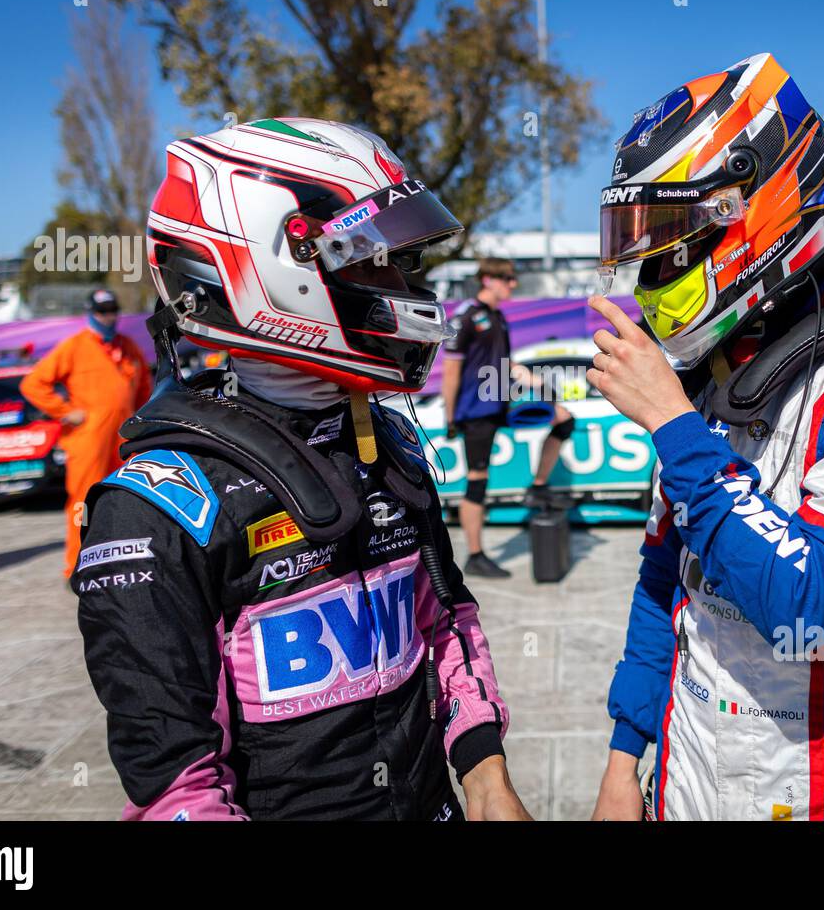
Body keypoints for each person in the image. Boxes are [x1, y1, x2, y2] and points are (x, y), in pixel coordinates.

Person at [74, 118, 528, 820]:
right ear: (278, 264)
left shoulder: (388, 444)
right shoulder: (156, 507)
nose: (403, 284)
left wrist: (488, 779)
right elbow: (173, 782)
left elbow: (445, 622)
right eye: (374, 260)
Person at [587, 54, 824, 820]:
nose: (652, 264)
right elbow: (666, 583)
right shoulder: (709, 383)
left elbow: (806, 605)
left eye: (670, 236)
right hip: (685, 780)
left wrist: (673, 425)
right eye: (642, 239)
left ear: (754, 209)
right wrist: (621, 760)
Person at [442, 258, 574, 578]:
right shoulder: (466, 317)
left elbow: (506, 364)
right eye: (507, 278)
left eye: (513, 278)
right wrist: (450, 418)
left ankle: (538, 486)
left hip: (500, 402)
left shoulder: (498, 317)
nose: (513, 284)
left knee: (564, 419)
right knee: (477, 484)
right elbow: (451, 370)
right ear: (488, 279)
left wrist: (534, 381)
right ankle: (475, 555)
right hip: (474, 412)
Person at [20, 289, 151, 578]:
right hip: (88, 440)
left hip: (124, 440)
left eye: (112, 309)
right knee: (83, 503)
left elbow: (144, 390)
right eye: (102, 310)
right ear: (90, 312)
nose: (108, 316)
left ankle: (116, 562)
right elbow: (33, 383)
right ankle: (76, 566)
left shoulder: (128, 347)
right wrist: (64, 410)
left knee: (125, 500)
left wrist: (143, 424)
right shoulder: (74, 347)